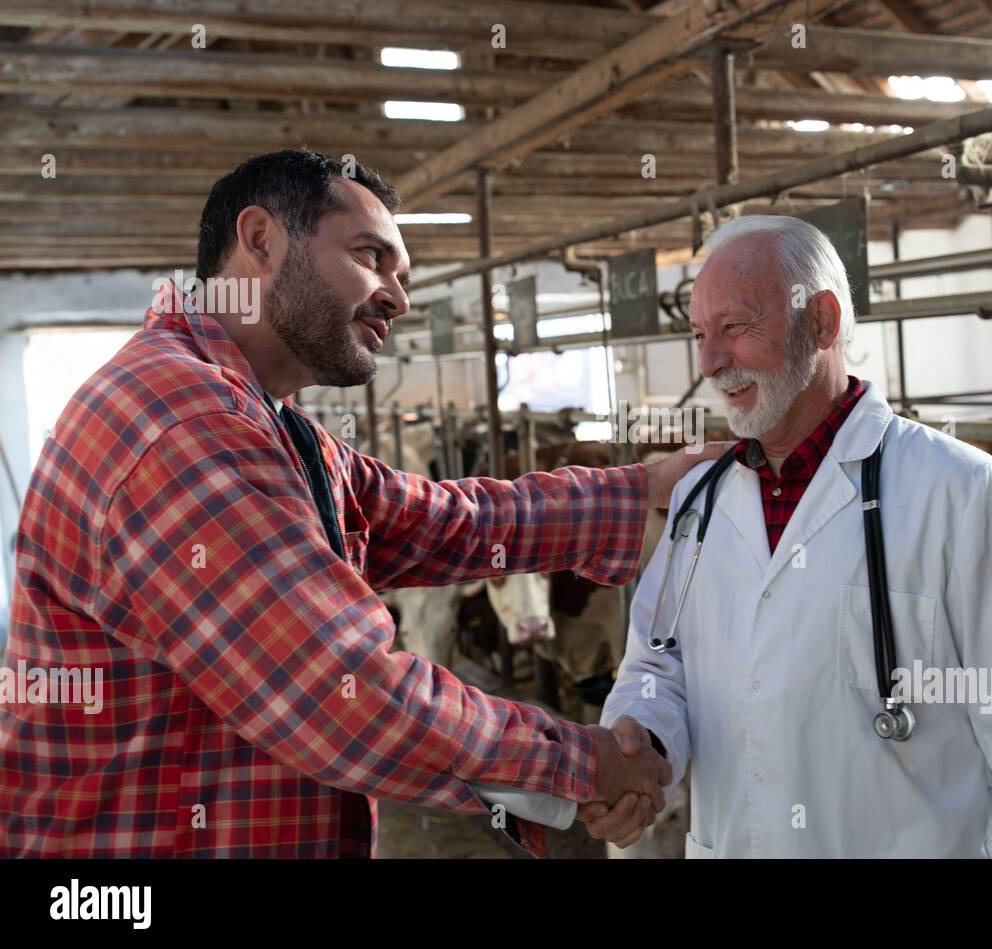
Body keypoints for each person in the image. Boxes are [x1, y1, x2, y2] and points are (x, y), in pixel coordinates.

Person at [0, 149, 721, 858]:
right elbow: (342, 693)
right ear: (260, 242)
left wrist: (642, 488)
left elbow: (445, 522)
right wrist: (582, 763)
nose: (398, 297)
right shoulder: (183, 420)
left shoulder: (268, 420)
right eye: (372, 257)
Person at [594, 215, 992, 857]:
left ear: (822, 322)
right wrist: (642, 749)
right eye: (699, 333)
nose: (710, 361)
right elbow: (657, 665)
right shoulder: (700, 501)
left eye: (735, 328)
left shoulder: (956, 489)